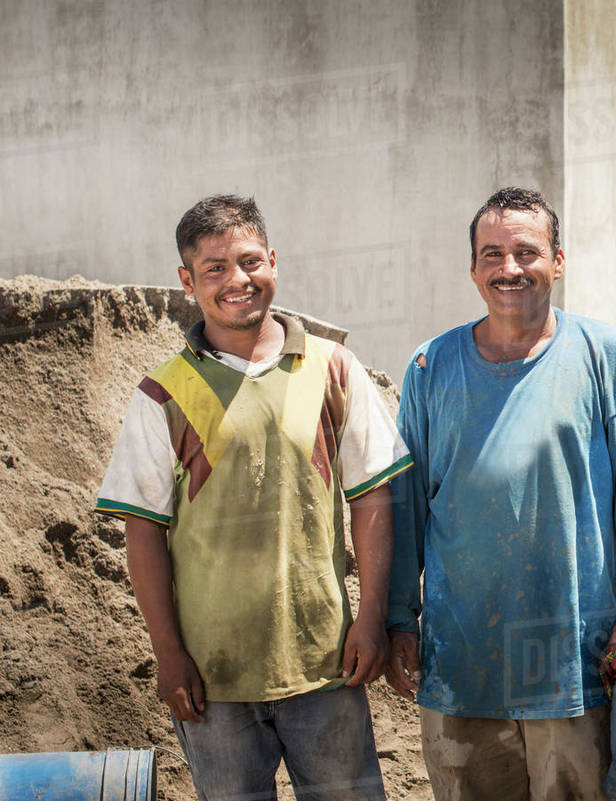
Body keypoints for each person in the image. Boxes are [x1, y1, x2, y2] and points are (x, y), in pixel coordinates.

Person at [95, 195, 410, 800]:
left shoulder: (335, 369)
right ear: (187, 282)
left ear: (273, 261)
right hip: (213, 676)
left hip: (326, 662)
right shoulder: (162, 394)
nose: (237, 280)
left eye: (248, 261)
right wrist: (169, 655)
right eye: (214, 268)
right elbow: (143, 533)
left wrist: (369, 619)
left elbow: (372, 501)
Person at [386, 187, 616, 801]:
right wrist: (395, 618)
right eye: (492, 254)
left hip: (574, 655)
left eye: (526, 252)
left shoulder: (608, 358)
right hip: (463, 655)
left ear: (559, 260)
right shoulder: (429, 367)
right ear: (472, 269)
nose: (509, 269)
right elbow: (404, 507)